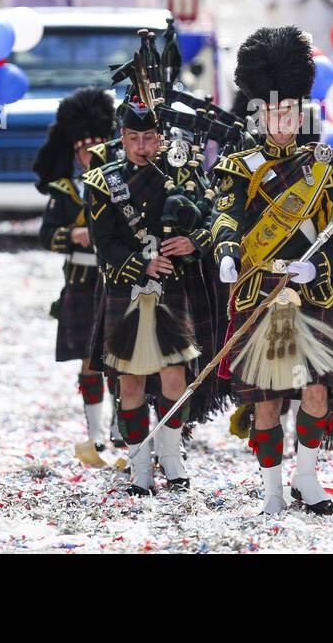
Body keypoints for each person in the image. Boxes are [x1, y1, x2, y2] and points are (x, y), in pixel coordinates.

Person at [211, 27, 333, 515]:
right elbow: (225, 214)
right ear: (257, 113)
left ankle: (307, 476)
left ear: (300, 111)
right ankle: (272, 488)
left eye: (289, 111)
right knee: (266, 399)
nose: (282, 121)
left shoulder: (328, 168)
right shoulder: (238, 167)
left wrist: (316, 265)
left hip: (312, 293)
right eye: (272, 112)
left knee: (316, 391)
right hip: (262, 291)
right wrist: (226, 251)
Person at [83, 101, 206, 495]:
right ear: (122, 139)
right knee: (130, 381)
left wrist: (192, 242)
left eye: (149, 138)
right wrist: (142, 264)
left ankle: (170, 454)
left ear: (159, 138)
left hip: (172, 285)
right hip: (127, 287)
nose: (142, 147)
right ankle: (139, 463)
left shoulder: (183, 175)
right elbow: (105, 244)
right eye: (134, 138)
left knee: (175, 375)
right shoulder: (103, 181)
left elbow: (212, 217)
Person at [34, 88, 117, 463]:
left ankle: (121, 428)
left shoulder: (123, 184)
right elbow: (46, 235)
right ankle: (95, 433)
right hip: (82, 282)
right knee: (90, 359)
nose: (90, 154)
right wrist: (74, 234)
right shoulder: (66, 193)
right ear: (75, 152)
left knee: (124, 358)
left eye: (97, 146)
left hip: (119, 278)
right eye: (84, 148)